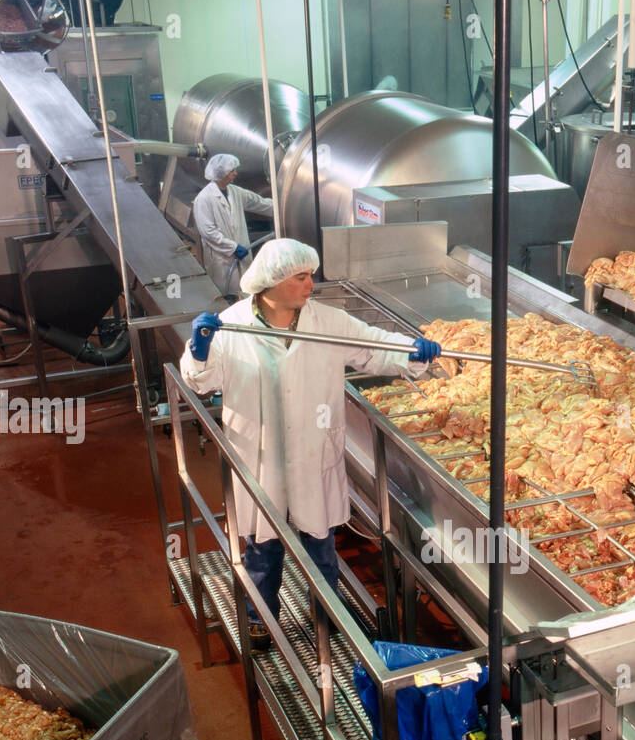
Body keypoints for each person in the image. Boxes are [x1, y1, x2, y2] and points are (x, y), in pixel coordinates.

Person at [180, 238, 443, 642]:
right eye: (301, 278)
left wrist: (412, 352)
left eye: (310, 277)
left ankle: (327, 616)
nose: (310, 285)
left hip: (311, 453)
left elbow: (371, 347)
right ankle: (258, 618)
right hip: (259, 458)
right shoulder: (231, 326)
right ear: (273, 282)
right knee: (262, 548)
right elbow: (201, 381)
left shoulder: (327, 322)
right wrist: (198, 350)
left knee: (321, 545)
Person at [193, 153, 273, 300]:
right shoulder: (204, 198)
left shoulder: (235, 191)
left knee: (246, 293)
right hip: (221, 259)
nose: (235, 173)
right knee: (226, 297)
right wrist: (233, 247)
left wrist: (284, 205)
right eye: (232, 171)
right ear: (221, 173)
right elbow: (208, 232)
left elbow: (259, 203)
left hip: (242, 256)